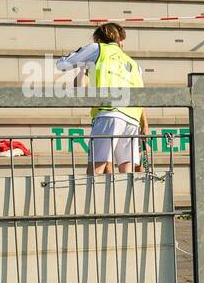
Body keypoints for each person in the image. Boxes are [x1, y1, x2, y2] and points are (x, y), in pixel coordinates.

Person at [55, 22, 148, 174]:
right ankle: (124, 198)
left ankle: (92, 198)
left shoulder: (98, 49)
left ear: (98, 39)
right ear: (118, 40)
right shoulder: (134, 64)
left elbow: (62, 65)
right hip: (132, 119)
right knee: (127, 172)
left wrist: (82, 60)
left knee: (95, 169)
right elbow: (141, 96)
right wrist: (144, 124)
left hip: (109, 112)